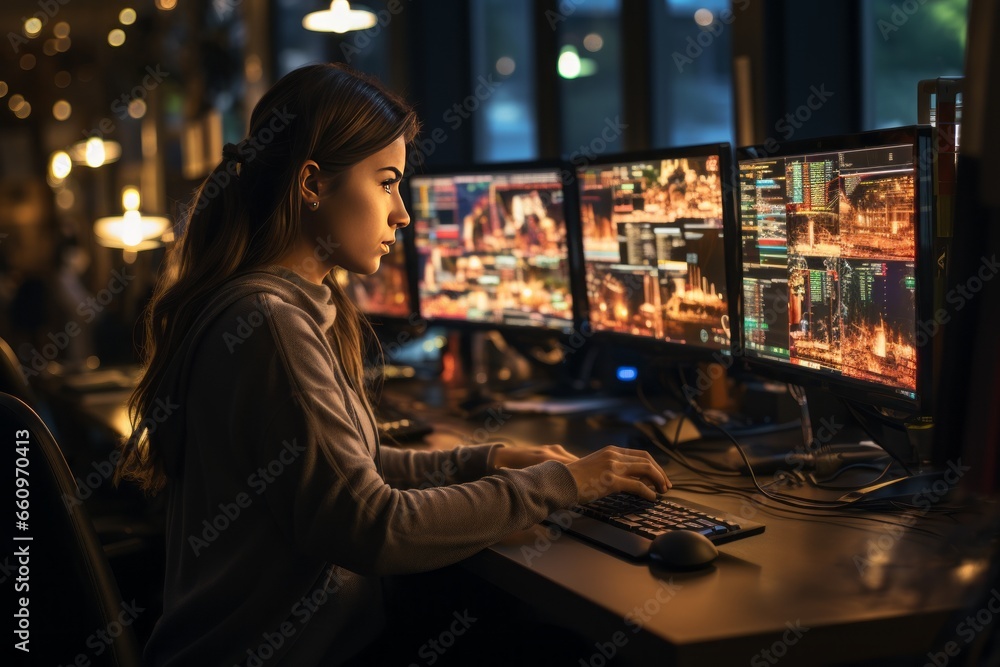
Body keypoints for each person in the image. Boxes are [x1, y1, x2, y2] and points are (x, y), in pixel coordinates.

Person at [116, 63, 669, 667]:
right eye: (386, 183)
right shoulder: (270, 323)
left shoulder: (276, 307)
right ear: (311, 183)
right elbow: (370, 524)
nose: (402, 213)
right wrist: (563, 483)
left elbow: (359, 470)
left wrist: (489, 459)